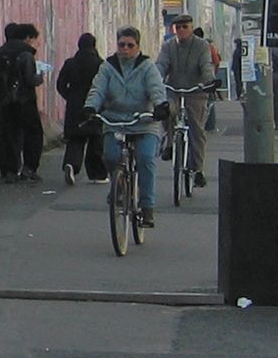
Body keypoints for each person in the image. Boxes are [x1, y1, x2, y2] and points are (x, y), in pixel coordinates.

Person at [86, 26, 167, 229]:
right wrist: (90, 107)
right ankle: (119, 186)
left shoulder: (147, 67)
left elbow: (156, 88)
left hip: (144, 121)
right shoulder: (108, 67)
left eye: (130, 45)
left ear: (138, 47)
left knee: (146, 158)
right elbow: (98, 89)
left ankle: (147, 207)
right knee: (110, 156)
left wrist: (160, 106)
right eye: (121, 44)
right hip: (115, 120)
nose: (125, 49)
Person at [157, 13, 217, 190]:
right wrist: (155, 79)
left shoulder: (201, 45)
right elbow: (161, 65)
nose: (181, 30)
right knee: (166, 110)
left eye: (185, 27)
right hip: (174, 90)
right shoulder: (168, 46)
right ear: (173, 29)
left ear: (191, 28)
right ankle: (169, 143)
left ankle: (197, 169)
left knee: (197, 129)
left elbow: (206, 65)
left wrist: (209, 82)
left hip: (196, 92)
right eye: (178, 27)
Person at [0, 22, 45, 183]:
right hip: (25, 100)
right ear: (26, 37)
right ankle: (29, 168)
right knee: (33, 133)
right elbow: (30, 79)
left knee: (7, 135)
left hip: (3, 101)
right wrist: (40, 78)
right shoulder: (26, 54)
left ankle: (9, 170)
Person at [55, 30, 107, 185]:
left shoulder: (70, 63)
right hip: (95, 106)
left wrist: (70, 97)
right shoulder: (100, 64)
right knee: (95, 141)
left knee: (76, 139)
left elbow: (60, 85)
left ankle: (71, 165)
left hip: (74, 106)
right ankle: (97, 174)